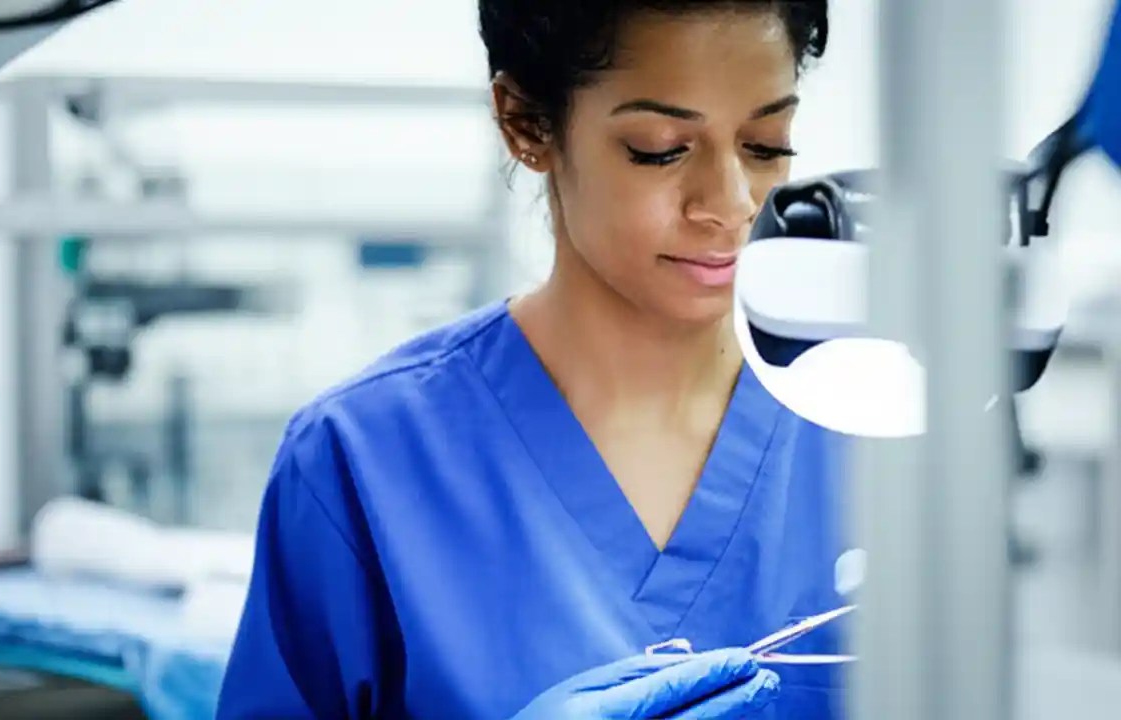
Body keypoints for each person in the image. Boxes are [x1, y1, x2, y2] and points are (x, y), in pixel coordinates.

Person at [217, 1, 849, 718]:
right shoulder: (362, 463)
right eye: (660, 148)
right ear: (525, 122)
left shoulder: (874, 424)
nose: (731, 204)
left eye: (766, 143)